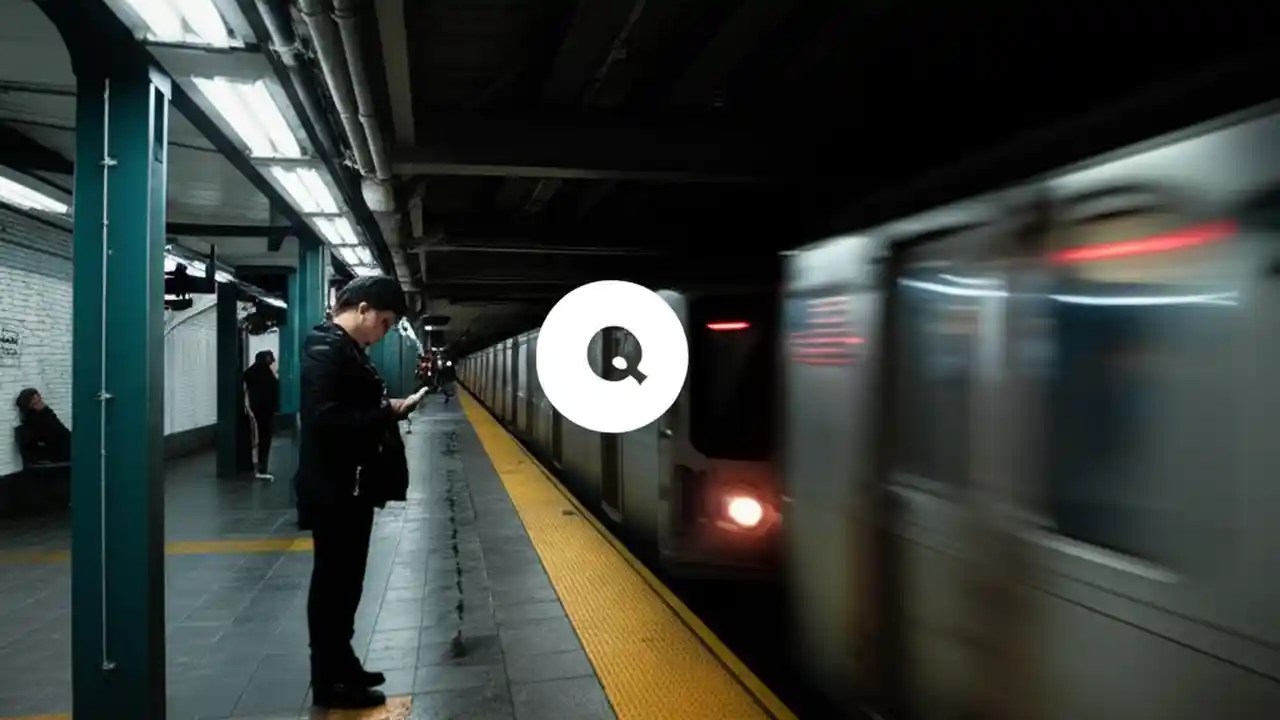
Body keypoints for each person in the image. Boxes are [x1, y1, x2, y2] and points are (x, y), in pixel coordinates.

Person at [294, 275, 429, 710]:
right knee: (334, 585)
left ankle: (343, 664)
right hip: (335, 491)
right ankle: (329, 679)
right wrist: (386, 411)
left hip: (348, 487)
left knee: (346, 584)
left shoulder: (343, 348)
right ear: (364, 309)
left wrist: (384, 410)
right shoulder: (325, 347)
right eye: (385, 323)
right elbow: (324, 420)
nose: (384, 332)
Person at [242, 350, 279, 480]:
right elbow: (276, 391)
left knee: (253, 438)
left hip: (253, 411)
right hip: (267, 412)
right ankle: (263, 466)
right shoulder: (269, 376)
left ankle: (250, 464)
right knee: (265, 439)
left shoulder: (249, 372)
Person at [14, 388, 71, 466]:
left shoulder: (46, 414)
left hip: (63, 447)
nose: (40, 404)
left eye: (39, 401)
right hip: (53, 452)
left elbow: (61, 431)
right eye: (35, 403)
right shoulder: (33, 421)